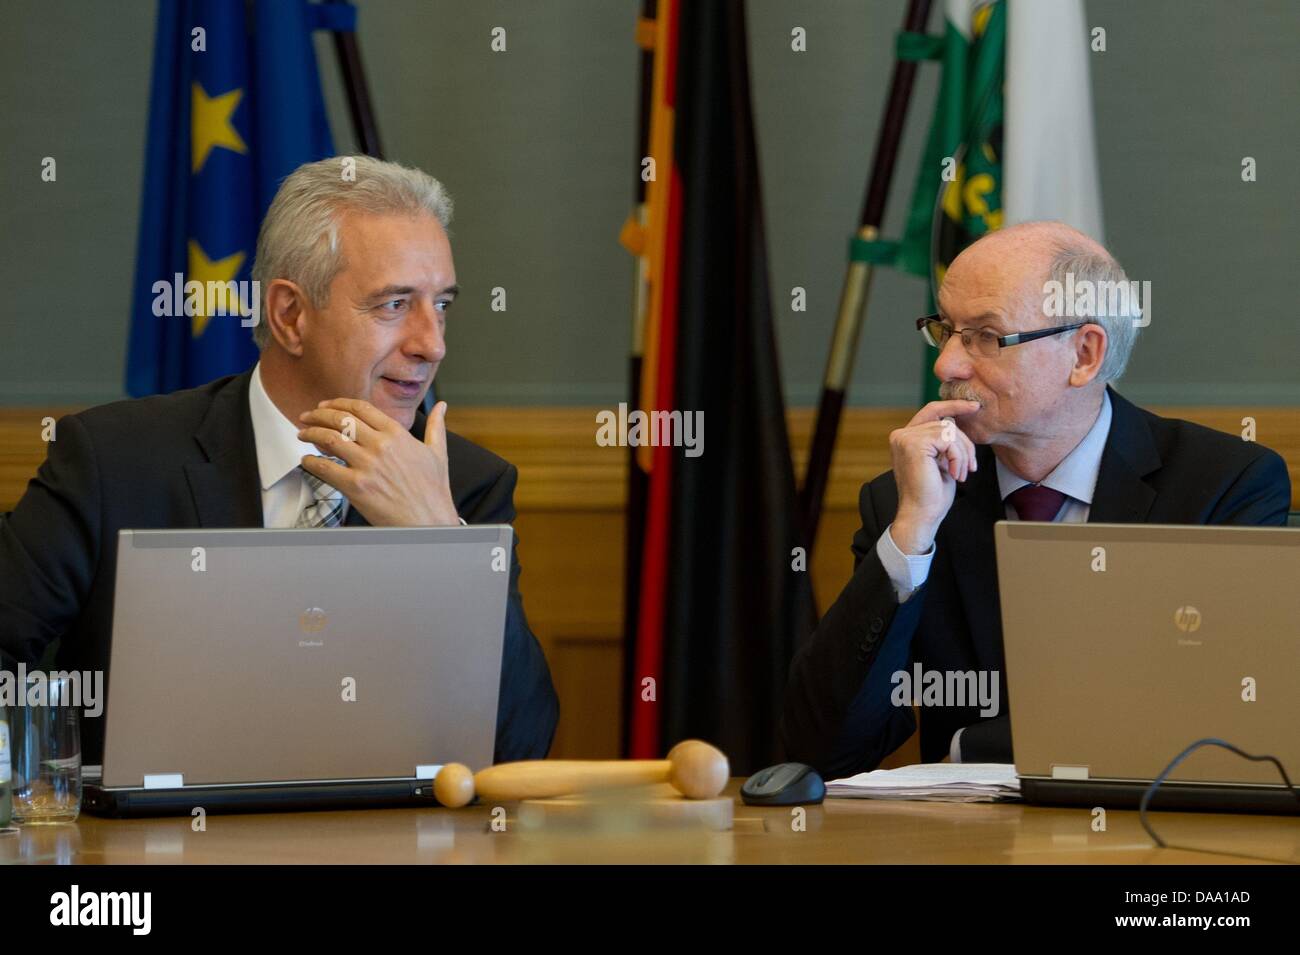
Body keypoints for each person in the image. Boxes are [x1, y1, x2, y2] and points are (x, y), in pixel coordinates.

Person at [0, 156, 558, 764]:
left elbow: (519, 746)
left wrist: (445, 547)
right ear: (290, 315)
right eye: (395, 305)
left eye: (441, 304)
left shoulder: (466, 487)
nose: (432, 343)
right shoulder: (113, 462)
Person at [782, 221, 1291, 777]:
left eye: (984, 336)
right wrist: (911, 537)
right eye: (945, 330)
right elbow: (821, 749)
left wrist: (969, 748)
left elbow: (1212, 716)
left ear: (1084, 355)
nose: (945, 365)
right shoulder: (909, 500)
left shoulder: (1223, 485)